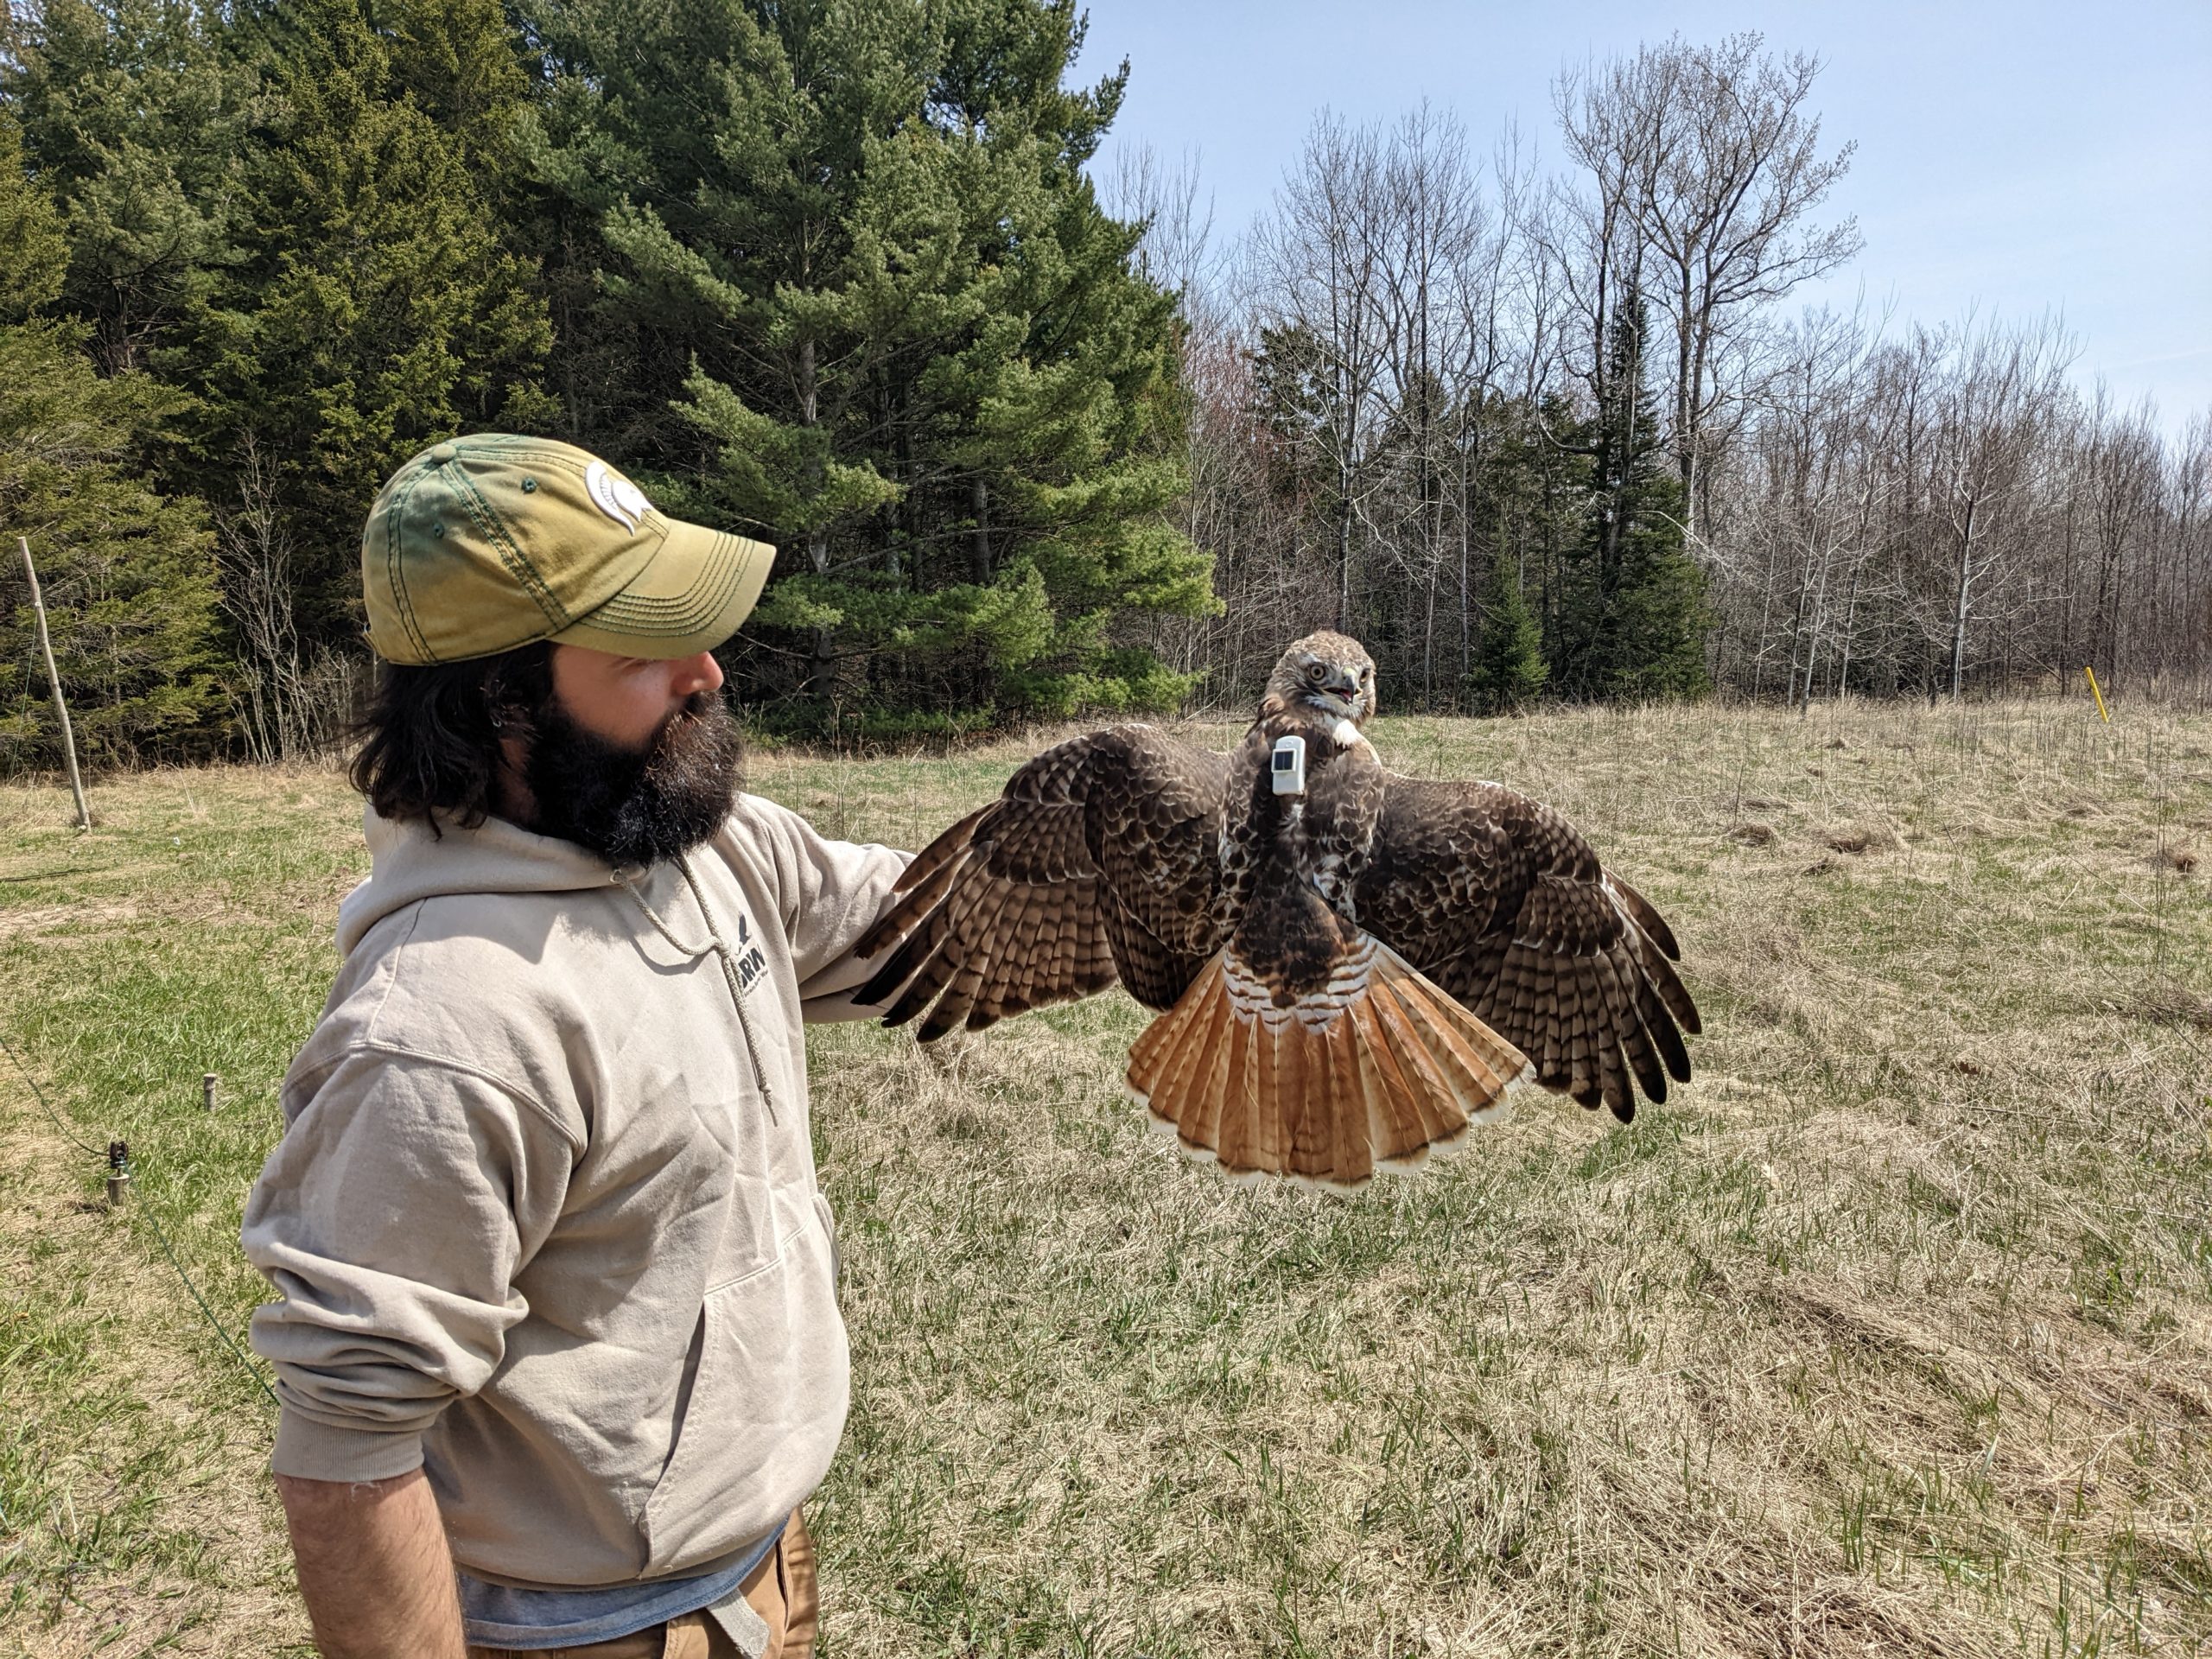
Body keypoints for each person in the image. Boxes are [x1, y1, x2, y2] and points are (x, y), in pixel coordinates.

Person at [241, 434, 911, 1659]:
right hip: (583, 1633)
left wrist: (1204, 859)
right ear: (502, 700)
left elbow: (927, 922)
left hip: (766, 1560)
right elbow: (348, 1462)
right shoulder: (443, 1033)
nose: (707, 673)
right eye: (648, 650)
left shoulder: (704, 849)